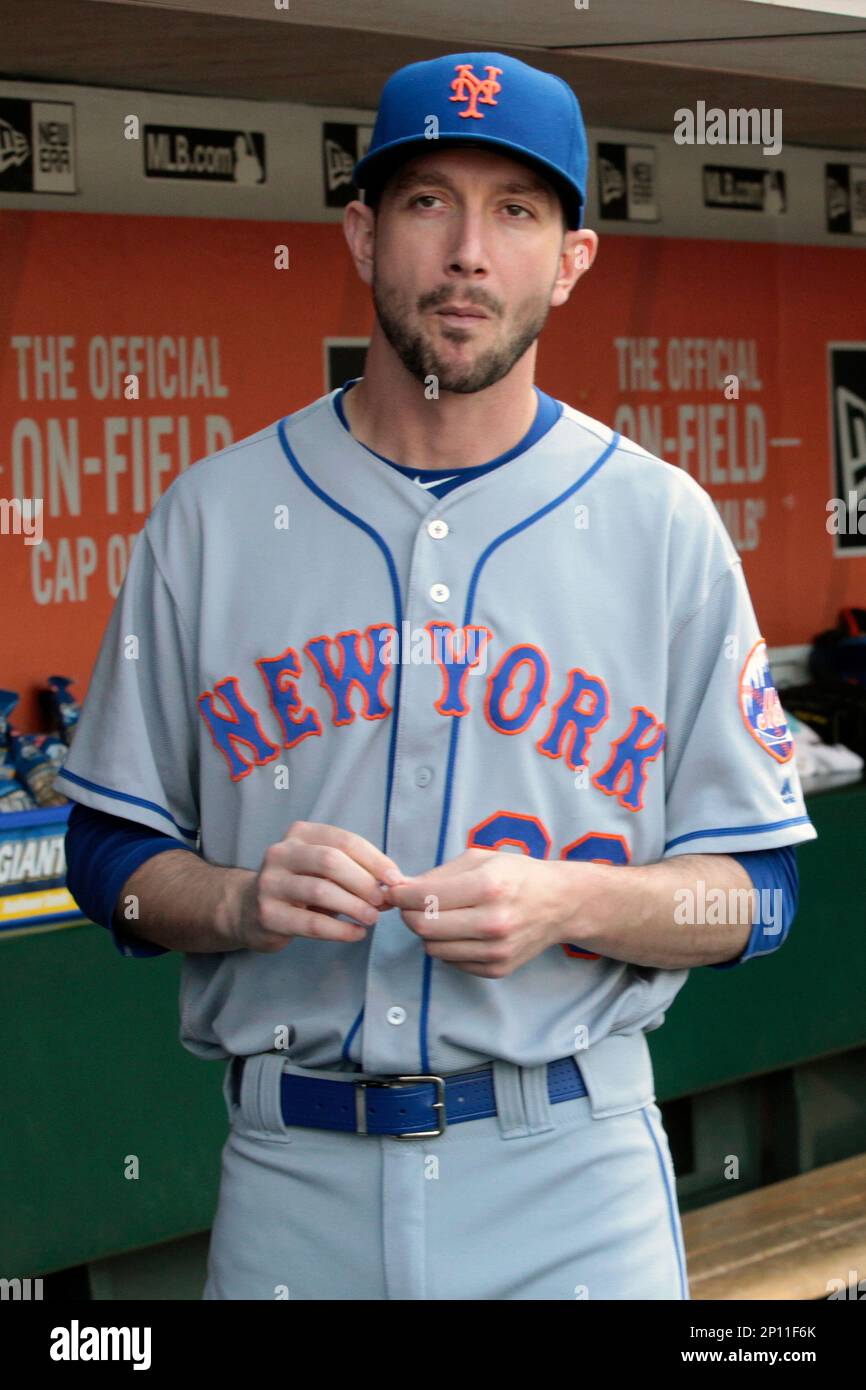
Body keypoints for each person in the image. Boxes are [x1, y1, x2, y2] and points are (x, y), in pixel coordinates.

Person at [60, 51, 816, 1301]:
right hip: (290, 1170)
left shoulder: (662, 526)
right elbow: (108, 866)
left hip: (568, 1174)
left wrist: (572, 900)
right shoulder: (210, 518)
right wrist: (240, 901)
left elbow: (762, 898)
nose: (468, 251)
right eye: (426, 202)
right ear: (361, 232)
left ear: (570, 260)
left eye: (515, 210)